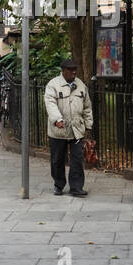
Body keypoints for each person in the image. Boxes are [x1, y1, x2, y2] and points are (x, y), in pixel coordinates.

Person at [44, 57, 93, 196]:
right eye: (70, 70)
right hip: (58, 130)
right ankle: (58, 185)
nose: (73, 72)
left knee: (77, 159)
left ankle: (76, 187)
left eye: (75, 70)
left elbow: (87, 107)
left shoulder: (81, 85)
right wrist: (57, 119)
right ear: (63, 71)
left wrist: (88, 125)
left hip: (77, 129)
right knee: (57, 159)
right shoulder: (53, 85)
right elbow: (50, 104)